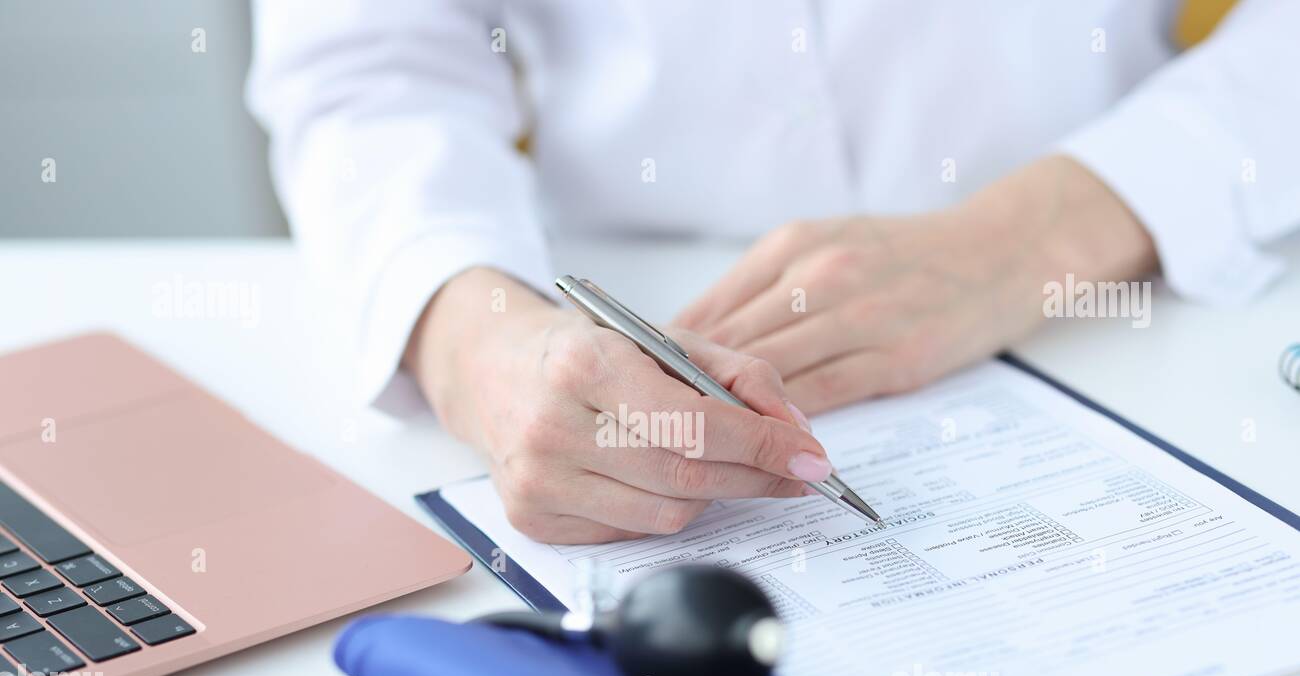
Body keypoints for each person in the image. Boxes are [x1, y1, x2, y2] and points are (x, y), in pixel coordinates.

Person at [247, 0, 1299, 543]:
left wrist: (1047, 230)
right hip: (617, 309)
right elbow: (366, 63)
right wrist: (478, 347)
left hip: (1141, 296)